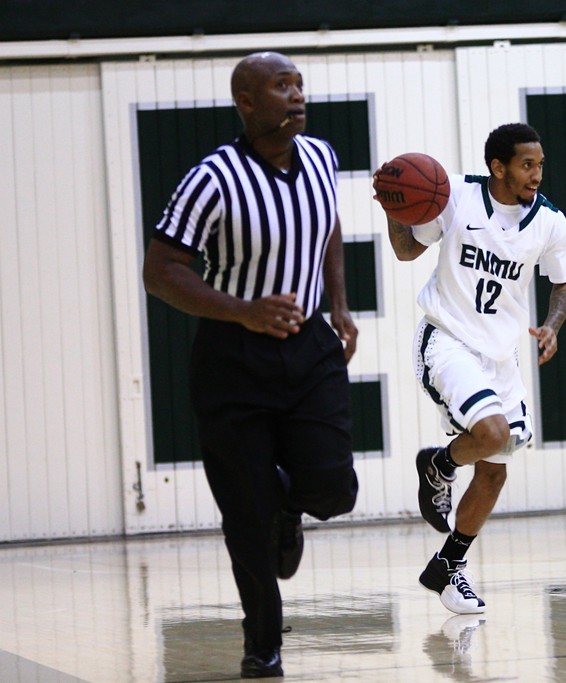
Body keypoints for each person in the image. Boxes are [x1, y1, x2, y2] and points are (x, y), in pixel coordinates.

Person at [142, 51, 360, 679]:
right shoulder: (211, 178)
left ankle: (289, 506)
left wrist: (339, 305)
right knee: (244, 515)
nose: (295, 96)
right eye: (279, 86)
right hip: (234, 357)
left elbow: (329, 227)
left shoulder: (320, 156)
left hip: (310, 347)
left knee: (335, 492)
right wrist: (244, 311)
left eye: (298, 84)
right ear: (245, 100)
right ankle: (262, 643)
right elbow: (161, 272)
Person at [377, 123, 566, 614]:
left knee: (493, 473)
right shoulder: (455, 197)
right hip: (447, 340)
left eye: (540, 165)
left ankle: (447, 568)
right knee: (490, 433)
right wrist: (392, 205)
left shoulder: (550, 220)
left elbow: (565, 284)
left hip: (500, 355)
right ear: (499, 166)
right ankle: (439, 465)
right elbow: (406, 250)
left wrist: (552, 325)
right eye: (526, 164)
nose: (536, 173)